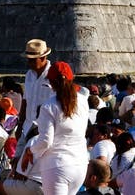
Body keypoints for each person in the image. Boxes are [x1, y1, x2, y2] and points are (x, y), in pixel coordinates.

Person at [21, 60, 88, 195]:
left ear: (51, 83)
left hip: (57, 165)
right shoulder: (83, 101)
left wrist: (30, 150)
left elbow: (46, 141)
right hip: (80, 164)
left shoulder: (49, 106)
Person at [15, 39, 52, 157]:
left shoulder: (52, 76)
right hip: (27, 126)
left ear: (43, 58)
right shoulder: (29, 75)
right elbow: (25, 100)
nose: (29, 63)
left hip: (43, 129)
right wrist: (20, 124)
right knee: (18, 158)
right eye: (28, 60)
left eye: (32, 60)